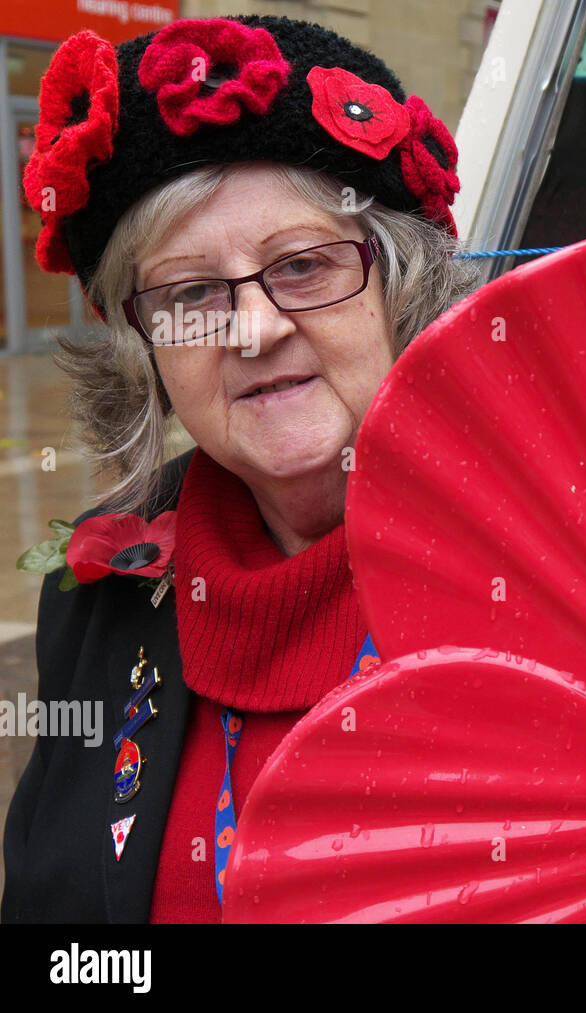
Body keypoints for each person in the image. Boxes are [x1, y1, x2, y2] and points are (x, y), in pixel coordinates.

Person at [2, 14, 474, 922]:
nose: (254, 330)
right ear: (145, 345)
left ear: (401, 284)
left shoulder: (547, 558)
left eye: (302, 266)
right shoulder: (96, 587)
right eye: (192, 293)